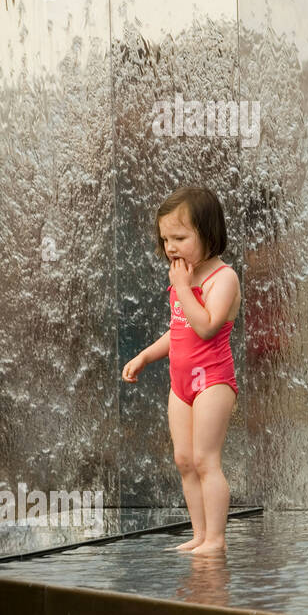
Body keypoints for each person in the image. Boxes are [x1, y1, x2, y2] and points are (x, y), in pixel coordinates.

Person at [122, 187, 241, 554]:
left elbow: (205, 325)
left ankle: (217, 539)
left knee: (206, 459)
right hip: (181, 383)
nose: (170, 247)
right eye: (165, 239)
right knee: (185, 460)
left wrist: (182, 287)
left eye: (180, 237)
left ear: (208, 232)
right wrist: (145, 356)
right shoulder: (183, 277)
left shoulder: (223, 278)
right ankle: (200, 534)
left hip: (213, 381)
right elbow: (179, 329)